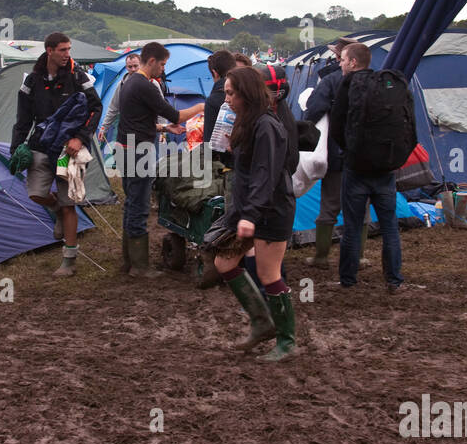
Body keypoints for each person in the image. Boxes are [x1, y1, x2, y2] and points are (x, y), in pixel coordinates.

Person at [212, 66, 298, 361]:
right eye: (226, 93)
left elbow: (266, 174)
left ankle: (287, 342)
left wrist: (250, 215)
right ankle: (262, 323)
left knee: (268, 273)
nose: (227, 99)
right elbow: (246, 170)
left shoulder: (267, 126)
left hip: (270, 211)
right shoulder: (246, 122)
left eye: (231, 93)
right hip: (248, 209)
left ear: (246, 93)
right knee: (224, 262)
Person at [11, 32, 102, 277]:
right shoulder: (32, 81)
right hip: (40, 146)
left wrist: (80, 138)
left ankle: (69, 261)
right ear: (49, 50)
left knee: (69, 203)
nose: (67, 54)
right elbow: (22, 120)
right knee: (36, 194)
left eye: (69, 49)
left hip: (67, 150)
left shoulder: (77, 76)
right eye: (62, 50)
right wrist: (16, 148)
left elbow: (95, 108)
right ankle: (56, 209)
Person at [115, 42, 204, 277]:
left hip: (126, 147)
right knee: (140, 205)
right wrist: (200, 106)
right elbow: (176, 114)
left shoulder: (129, 81)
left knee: (131, 203)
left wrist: (164, 129)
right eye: (163, 64)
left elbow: (138, 119)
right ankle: (139, 267)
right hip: (138, 151)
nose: (163, 69)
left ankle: (129, 261)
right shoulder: (144, 85)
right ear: (151, 60)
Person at [330, 40, 404, 293]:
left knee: (352, 225)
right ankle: (394, 280)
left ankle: (348, 280)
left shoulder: (348, 85)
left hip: (356, 168)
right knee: (389, 225)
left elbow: (337, 125)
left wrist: (350, 150)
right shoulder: (385, 83)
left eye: (342, 60)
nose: (339, 63)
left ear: (352, 62)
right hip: (385, 167)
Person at [301, 38, 362, 267]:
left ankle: (321, 257)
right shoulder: (374, 79)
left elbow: (314, 109)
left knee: (329, 205)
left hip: (337, 153)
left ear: (341, 57)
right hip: (365, 157)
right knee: (360, 207)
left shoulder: (332, 80)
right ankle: (359, 255)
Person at [97, 52, 142, 144]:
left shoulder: (151, 83)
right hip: (127, 130)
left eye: (135, 66)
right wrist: (104, 128)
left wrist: (163, 131)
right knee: (125, 157)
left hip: (148, 131)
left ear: (141, 65)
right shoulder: (121, 85)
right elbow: (113, 108)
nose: (133, 69)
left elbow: (160, 110)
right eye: (130, 67)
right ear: (126, 68)